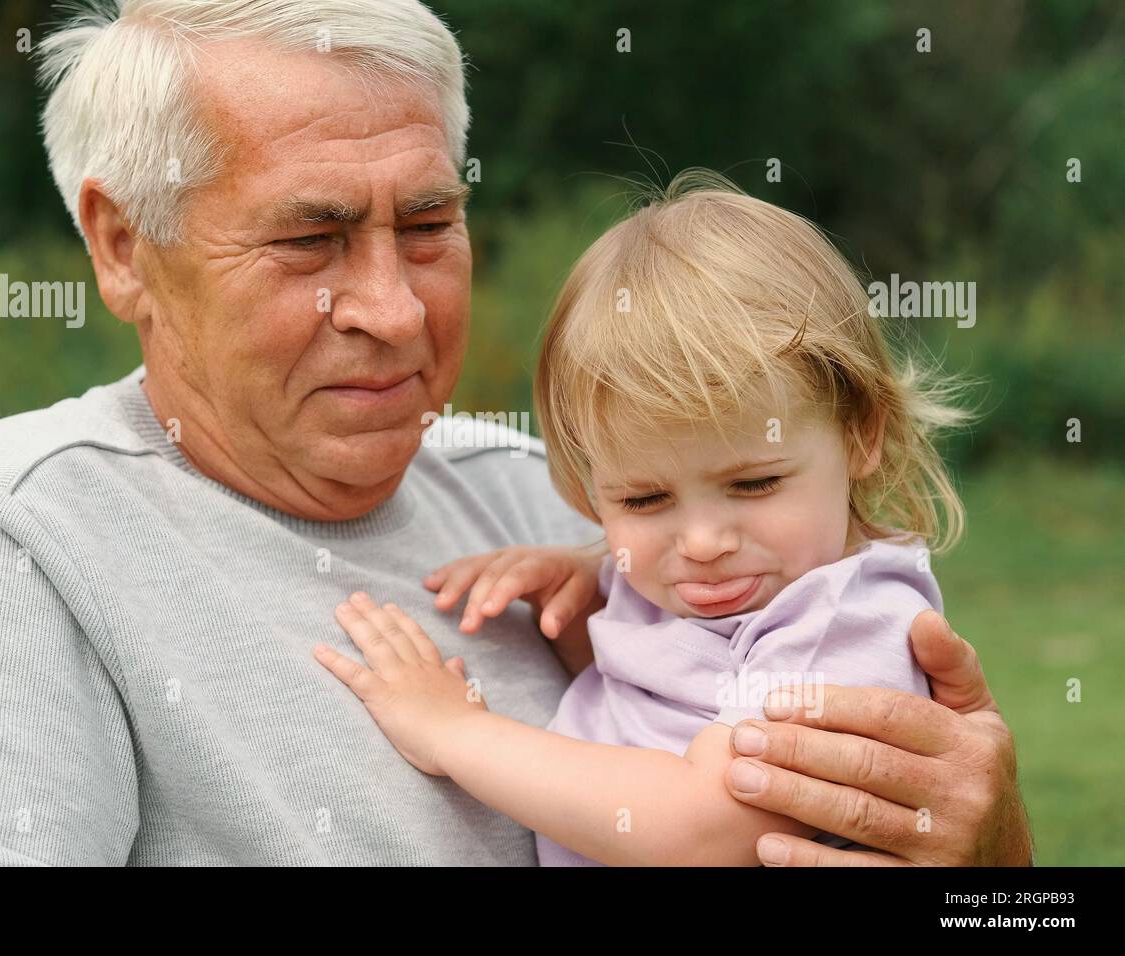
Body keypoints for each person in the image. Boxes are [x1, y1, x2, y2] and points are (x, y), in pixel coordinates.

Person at [0, 0, 1032, 866]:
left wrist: (991, 864)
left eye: (427, 222)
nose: (395, 308)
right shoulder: (7, 535)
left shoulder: (570, 500)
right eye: (310, 238)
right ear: (124, 246)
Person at [315, 176, 985, 865]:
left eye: (753, 483)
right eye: (643, 501)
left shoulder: (843, 625)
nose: (701, 544)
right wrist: (594, 600)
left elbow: (699, 829)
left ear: (860, 434)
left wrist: (454, 731)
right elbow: (653, 712)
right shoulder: (701, 597)